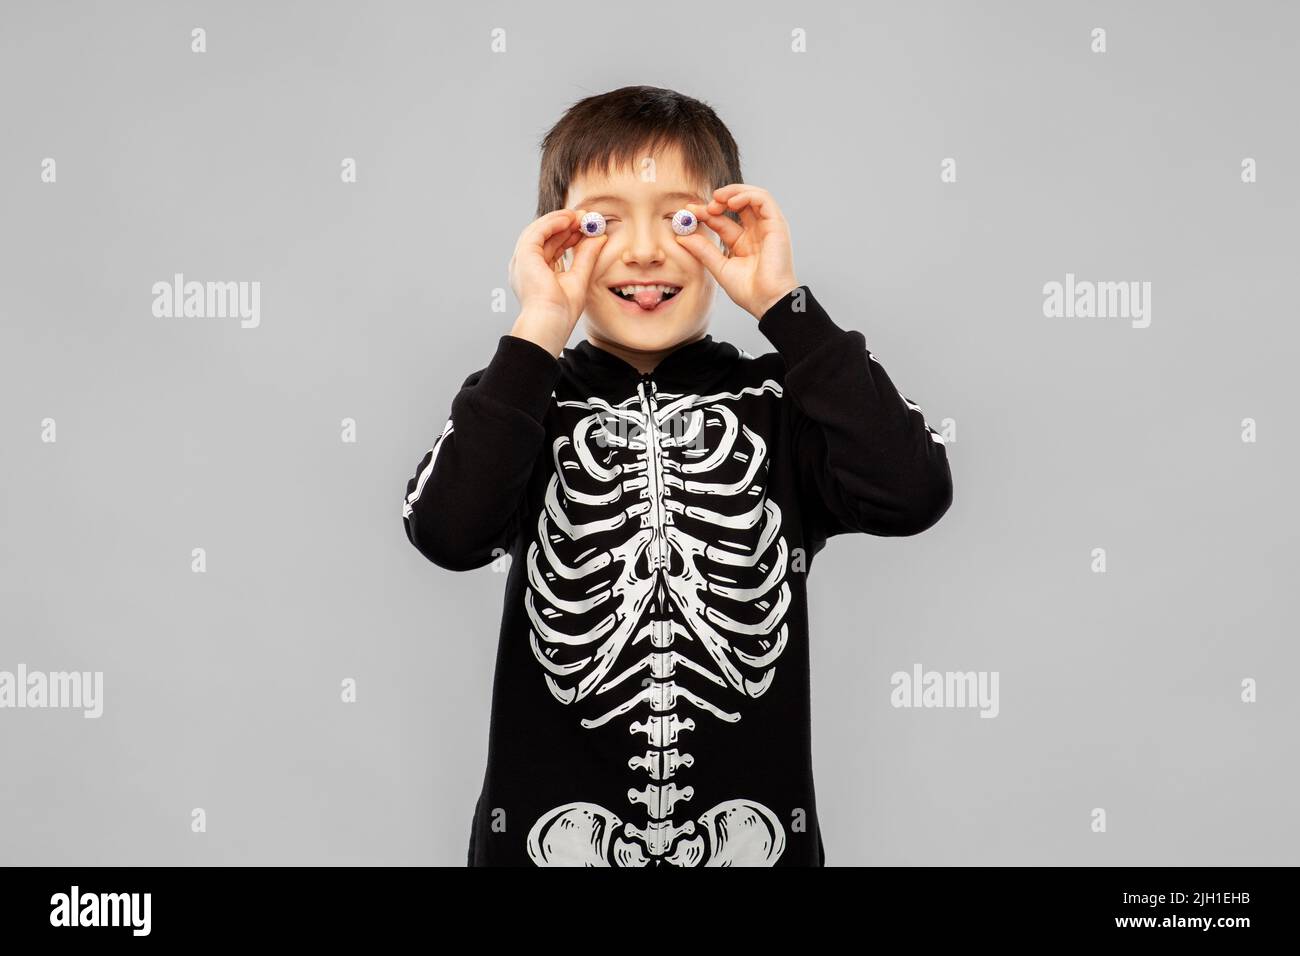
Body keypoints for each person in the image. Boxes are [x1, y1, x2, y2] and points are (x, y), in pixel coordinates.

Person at [402, 85, 953, 866]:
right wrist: (536, 332)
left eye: (682, 218)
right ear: (554, 239)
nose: (645, 251)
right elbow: (447, 532)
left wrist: (785, 308)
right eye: (600, 222)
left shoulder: (787, 405)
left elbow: (915, 490)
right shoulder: (522, 402)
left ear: (728, 227)